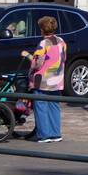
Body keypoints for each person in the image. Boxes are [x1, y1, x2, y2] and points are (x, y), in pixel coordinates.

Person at [28, 16, 67, 144]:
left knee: (41, 106)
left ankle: (44, 135)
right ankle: (56, 133)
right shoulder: (61, 41)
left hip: (42, 80)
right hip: (57, 80)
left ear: (42, 30)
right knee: (54, 106)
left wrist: (28, 56)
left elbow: (37, 63)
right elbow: (64, 57)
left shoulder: (43, 43)